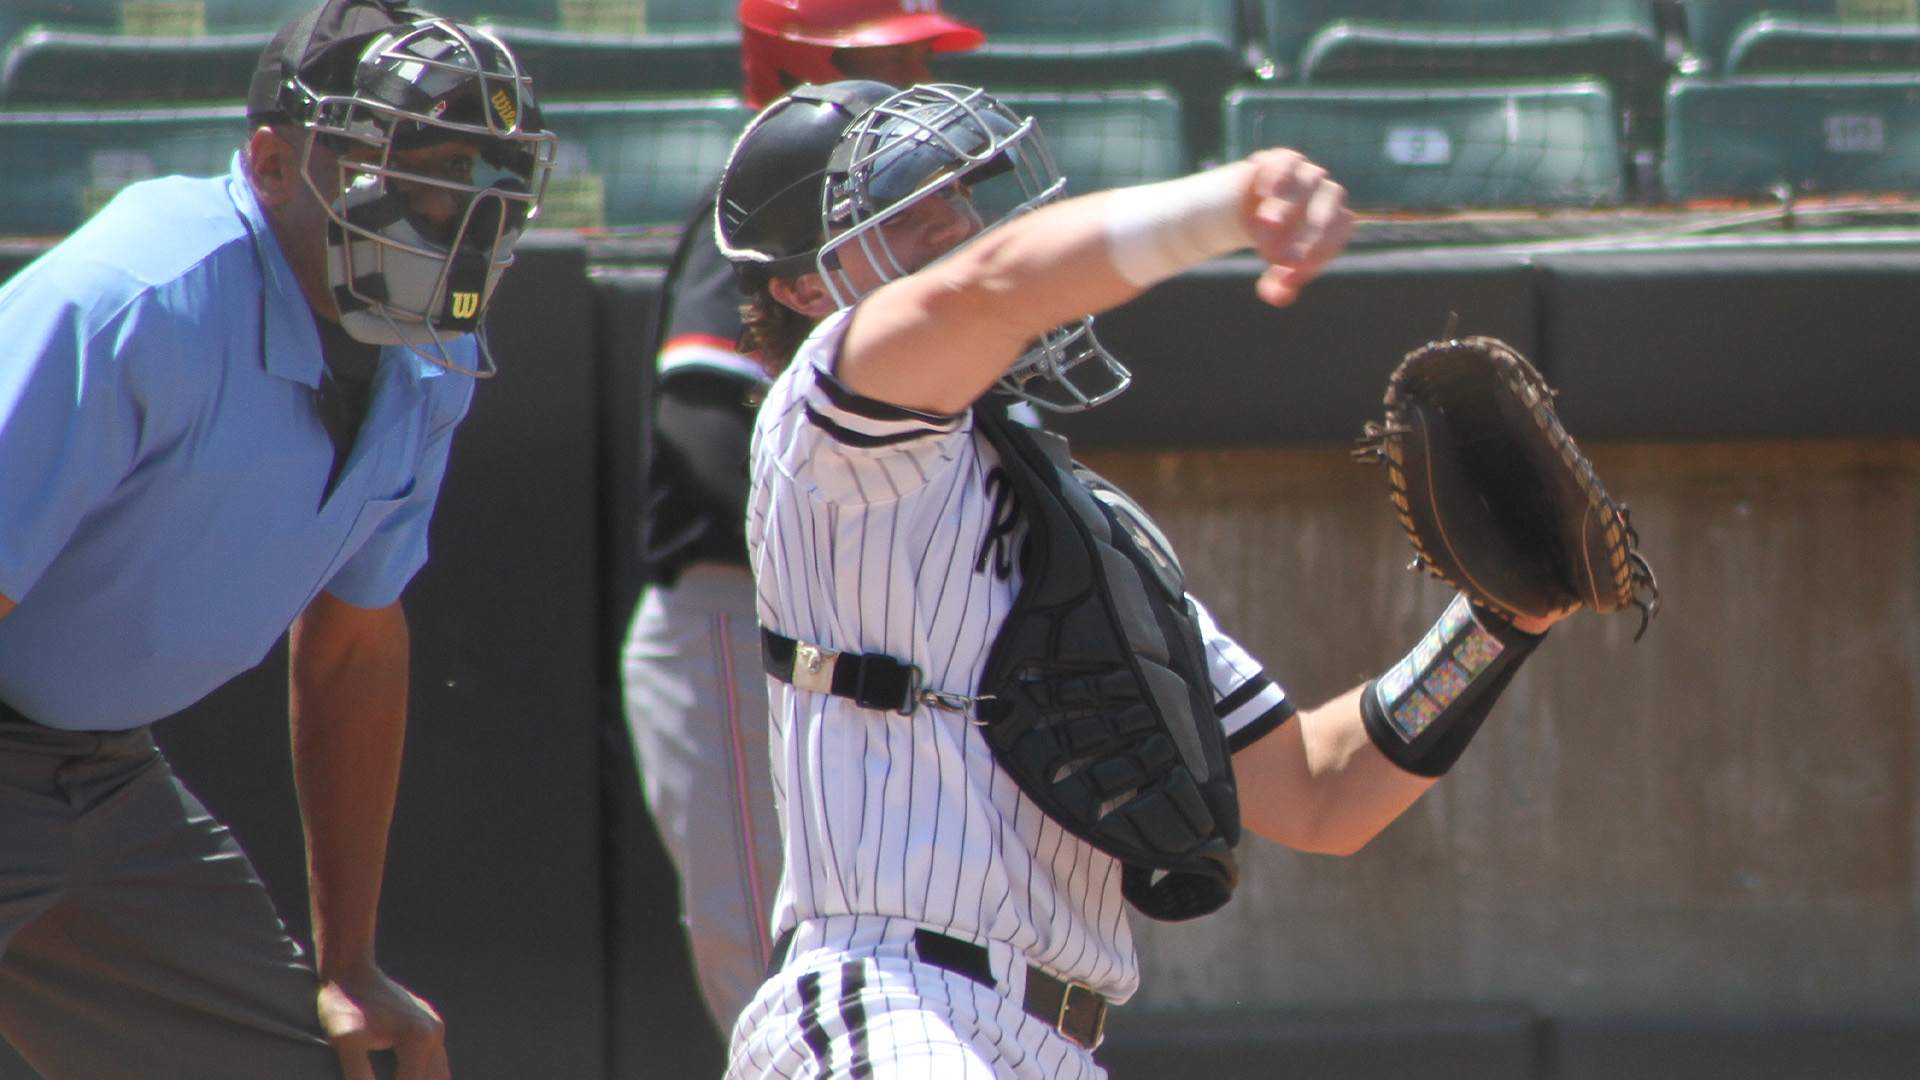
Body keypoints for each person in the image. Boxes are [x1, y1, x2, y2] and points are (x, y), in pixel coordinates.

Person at [713, 81, 1581, 1080]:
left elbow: (1320, 790)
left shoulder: (1087, 533)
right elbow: (994, 285)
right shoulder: (825, 436)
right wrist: (1230, 202)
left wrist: (1499, 623)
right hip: (890, 1001)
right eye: (906, 212)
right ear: (805, 291)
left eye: (954, 195)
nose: (954, 220)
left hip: (1051, 1043)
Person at [0, 2, 552, 1077]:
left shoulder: (436, 344)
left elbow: (352, 643)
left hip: (103, 781)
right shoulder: (141, 300)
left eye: (489, 176)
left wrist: (348, 962)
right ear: (272, 162)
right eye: (419, 166)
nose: (460, 213)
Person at [619, 0, 982, 1035]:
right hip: (735, 626)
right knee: (779, 967)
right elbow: (699, 436)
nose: (917, 78)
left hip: (830, 641)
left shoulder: (896, 235)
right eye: (892, 55)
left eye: (920, 53)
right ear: (800, 66)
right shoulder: (761, 211)